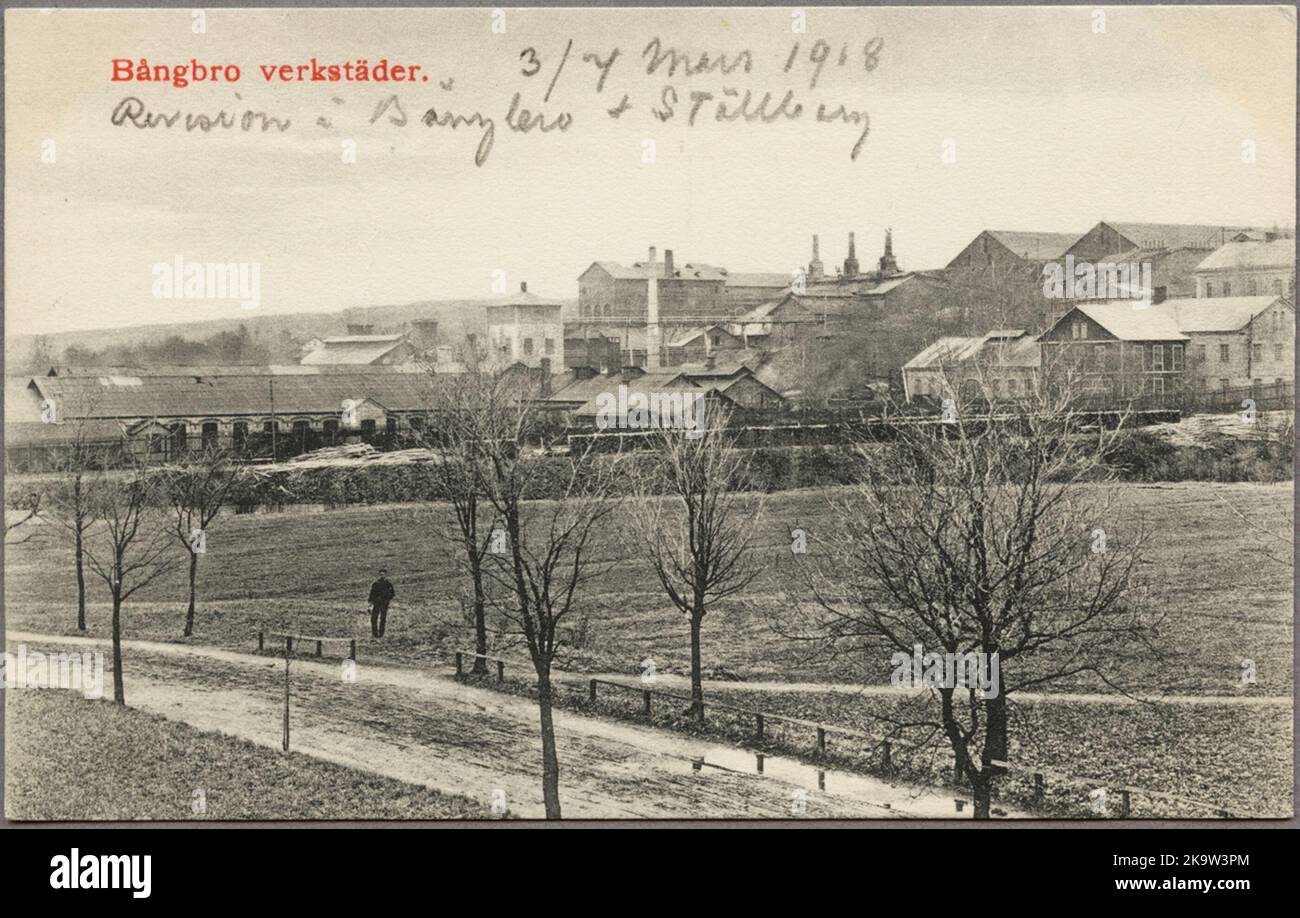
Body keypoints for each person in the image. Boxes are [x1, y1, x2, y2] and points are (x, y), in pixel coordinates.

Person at [368, 568, 396, 638]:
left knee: (383, 619)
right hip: (376, 604)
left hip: (384, 604)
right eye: (380, 575)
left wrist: (387, 599)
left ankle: (381, 634)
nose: (382, 576)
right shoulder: (375, 584)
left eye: (383, 575)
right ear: (379, 575)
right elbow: (372, 594)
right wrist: (370, 603)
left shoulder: (388, 584)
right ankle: (375, 634)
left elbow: (392, 594)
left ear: (385, 575)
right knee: (374, 618)